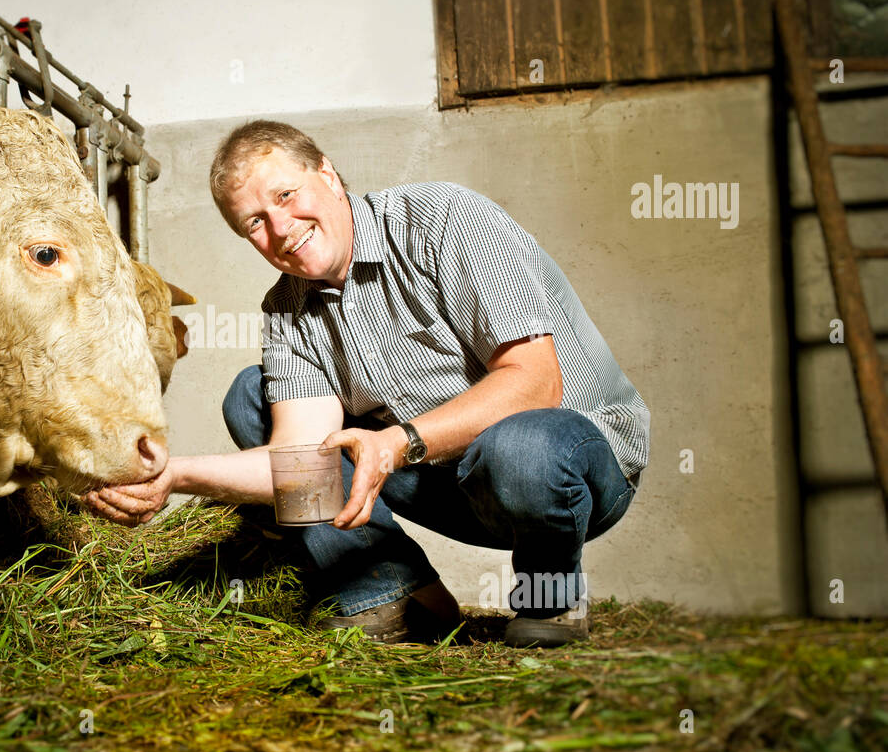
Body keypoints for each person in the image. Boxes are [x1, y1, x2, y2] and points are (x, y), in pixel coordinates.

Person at [83, 121, 650, 647]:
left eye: (285, 196)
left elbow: (535, 385)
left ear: (327, 173)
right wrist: (171, 475)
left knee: (521, 443)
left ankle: (549, 599)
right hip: (441, 484)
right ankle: (395, 592)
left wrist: (396, 441)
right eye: (254, 223)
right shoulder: (286, 311)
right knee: (251, 397)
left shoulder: (446, 221)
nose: (281, 230)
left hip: (563, 472)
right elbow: (299, 462)